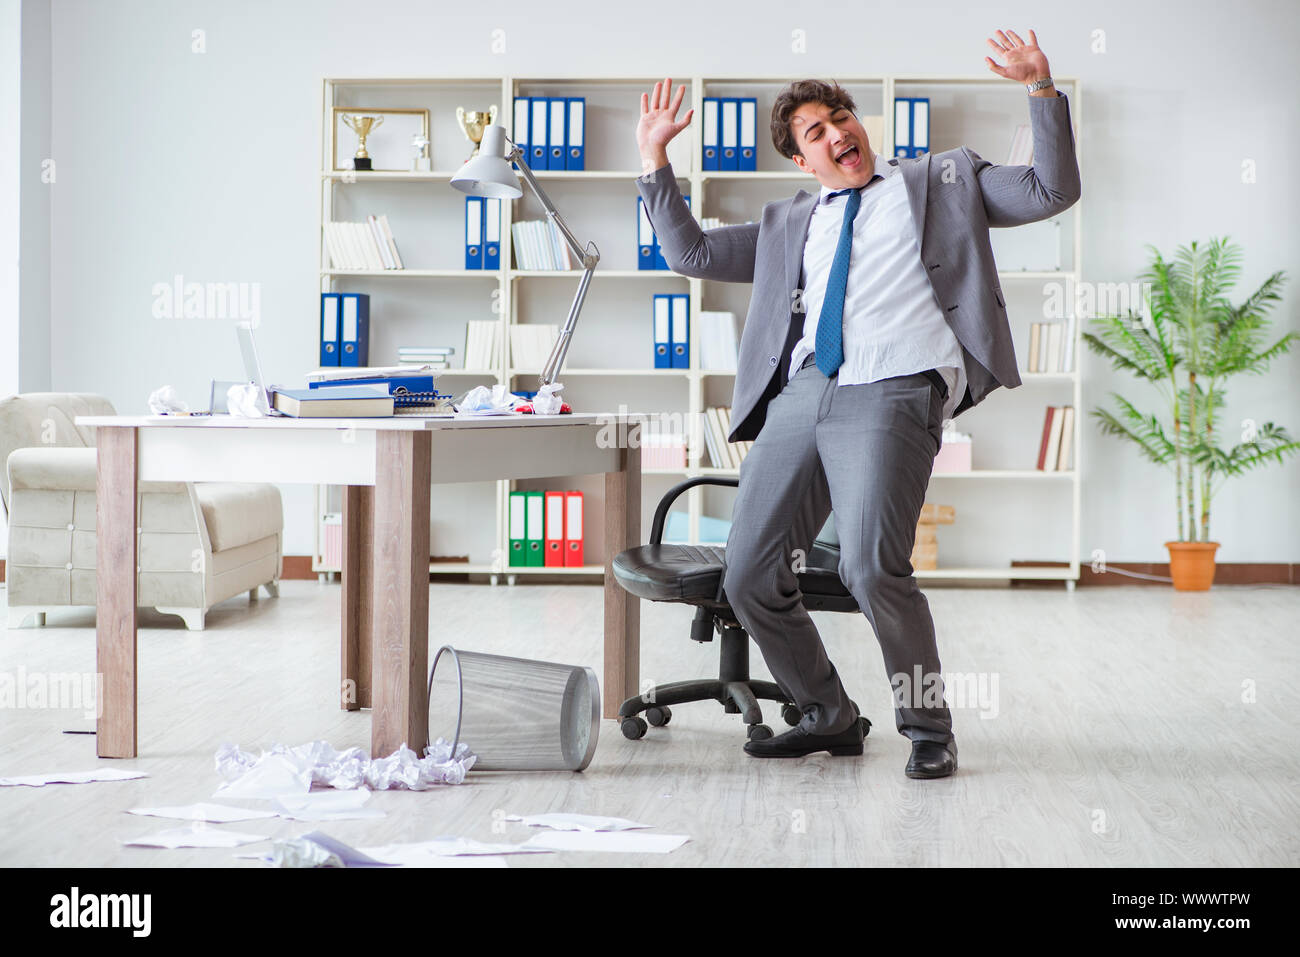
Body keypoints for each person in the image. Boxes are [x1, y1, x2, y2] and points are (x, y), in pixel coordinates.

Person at [633, 29, 1080, 778]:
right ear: (799, 158)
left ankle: (927, 724)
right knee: (747, 575)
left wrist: (1040, 89)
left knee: (873, 568)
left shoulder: (943, 180)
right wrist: (654, 161)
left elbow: (1050, 190)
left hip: (898, 384)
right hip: (808, 390)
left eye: (843, 116)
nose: (839, 131)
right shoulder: (788, 222)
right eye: (817, 130)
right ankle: (827, 711)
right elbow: (694, 256)